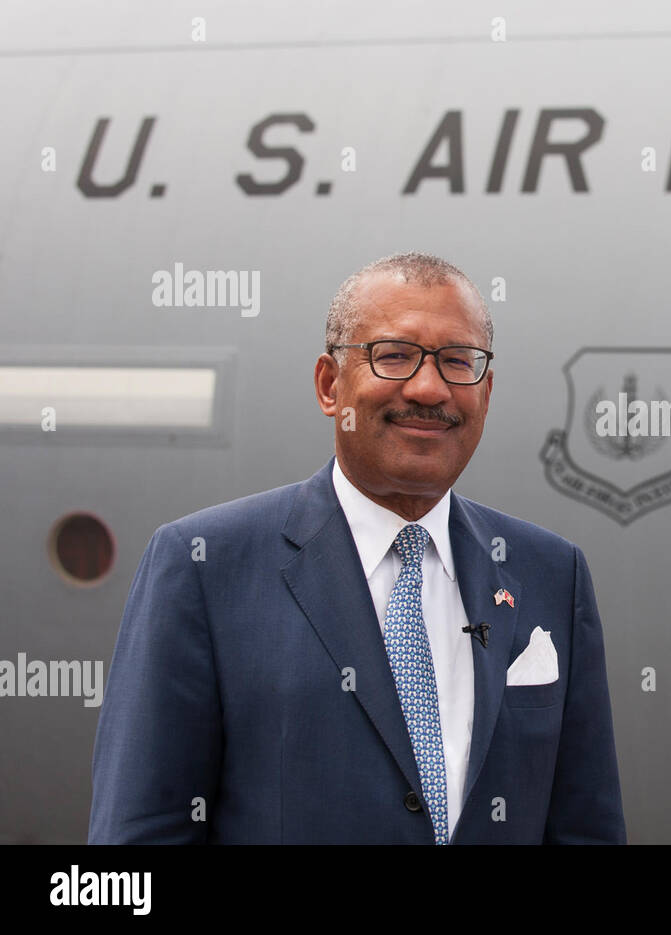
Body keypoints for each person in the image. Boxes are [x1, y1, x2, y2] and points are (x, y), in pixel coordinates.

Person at [88, 253, 625, 844]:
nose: (429, 388)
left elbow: (587, 830)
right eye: (393, 355)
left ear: (487, 392)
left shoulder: (553, 574)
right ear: (329, 385)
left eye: (457, 361)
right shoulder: (203, 567)